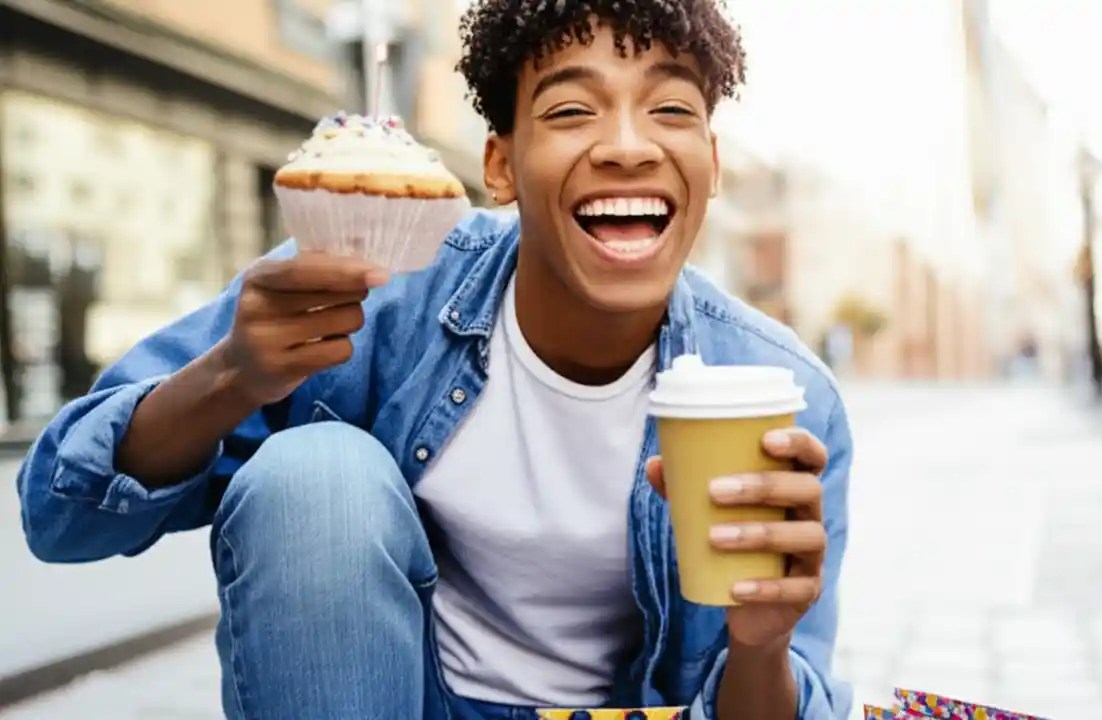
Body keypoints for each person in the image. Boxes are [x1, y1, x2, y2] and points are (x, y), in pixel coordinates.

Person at [16, 1, 853, 718]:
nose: (628, 146)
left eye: (671, 111)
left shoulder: (785, 396)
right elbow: (60, 515)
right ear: (501, 166)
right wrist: (232, 373)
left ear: (712, 164)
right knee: (317, 475)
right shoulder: (381, 284)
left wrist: (764, 642)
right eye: (571, 112)